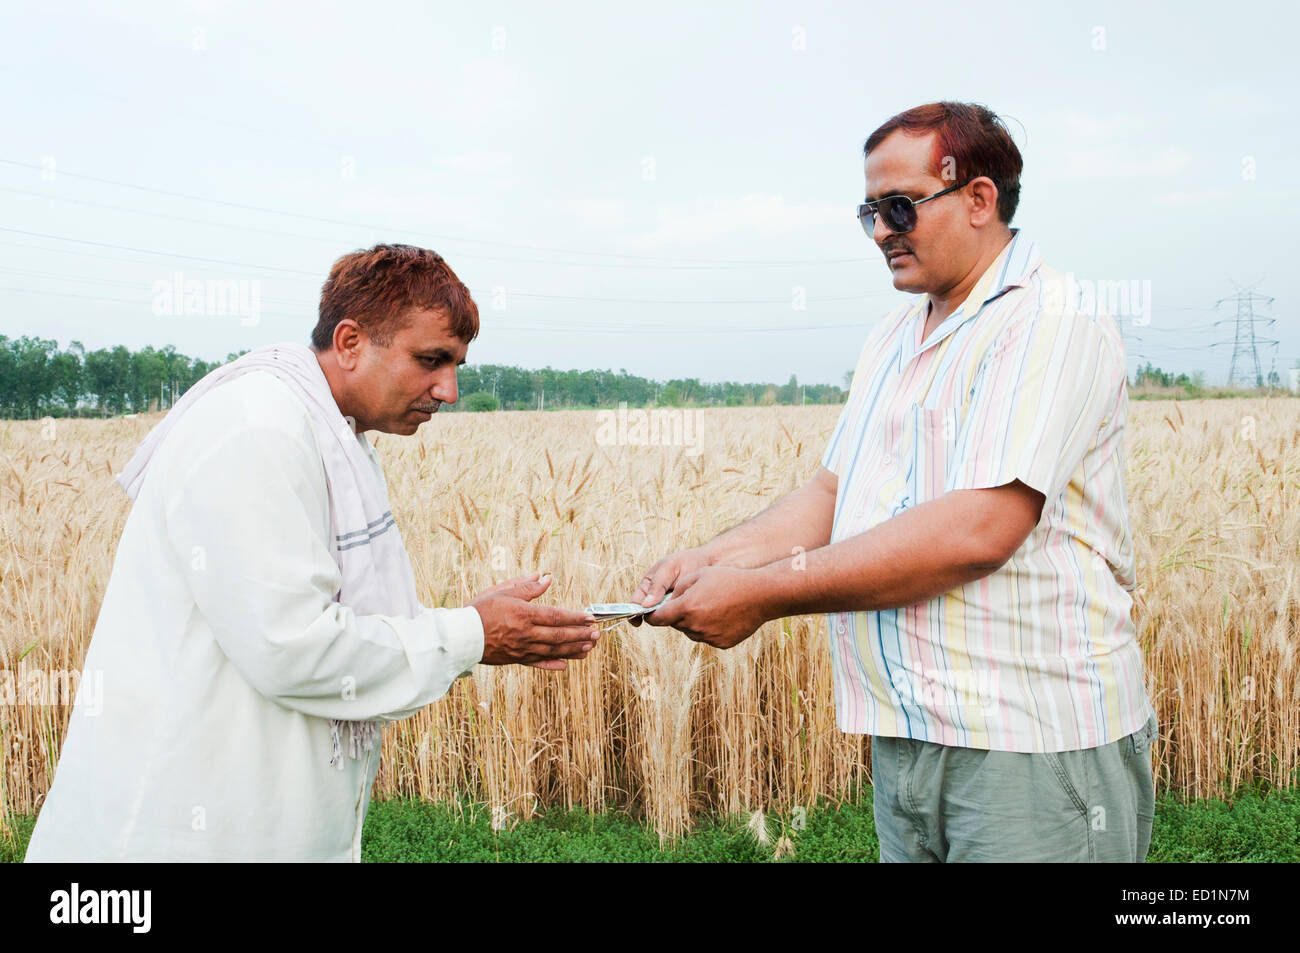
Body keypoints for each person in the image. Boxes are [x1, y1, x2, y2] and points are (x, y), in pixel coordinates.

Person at [632, 102, 1158, 863]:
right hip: (907, 738)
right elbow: (829, 496)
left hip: (1030, 744)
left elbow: (979, 529)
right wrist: (718, 561)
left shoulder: (1050, 320)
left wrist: (763, 594)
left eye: (900, 206)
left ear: (979, 199)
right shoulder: (894, 334)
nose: (882, 230)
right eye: (869, 211)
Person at [25, 243, 600, 862]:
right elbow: (290, 645)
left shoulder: (329, 430)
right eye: (431, 359)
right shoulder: (257, 429)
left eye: (456, 364)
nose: (450, 389)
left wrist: (471, 626)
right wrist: (471, 636)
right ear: (350, 342)